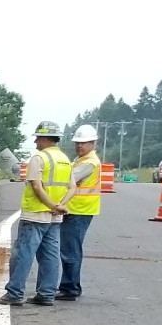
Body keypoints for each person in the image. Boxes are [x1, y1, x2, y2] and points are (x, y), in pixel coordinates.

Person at [0, 121, 71, 306]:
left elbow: (36, 186)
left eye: (38, 138)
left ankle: (14, 293)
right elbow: (72, 187)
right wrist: (59, 205)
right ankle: (46, 294)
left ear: (45, 139)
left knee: (23, 253)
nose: (36, 141)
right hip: (54, 217)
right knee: (50, 255)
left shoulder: (39, 158)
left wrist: (51, 204)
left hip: (35, 215)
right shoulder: (65, 160)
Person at [58, 124, 101, 300]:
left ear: (93, 143)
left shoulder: (89, 163)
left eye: (83, 143)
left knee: (70, 251)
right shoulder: (80, 160)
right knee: (70, 249)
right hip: (76, 210)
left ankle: (70, 288)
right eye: (77, 143)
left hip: (79, 211)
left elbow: (67, 179)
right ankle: (71, 285)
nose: (79, 146)